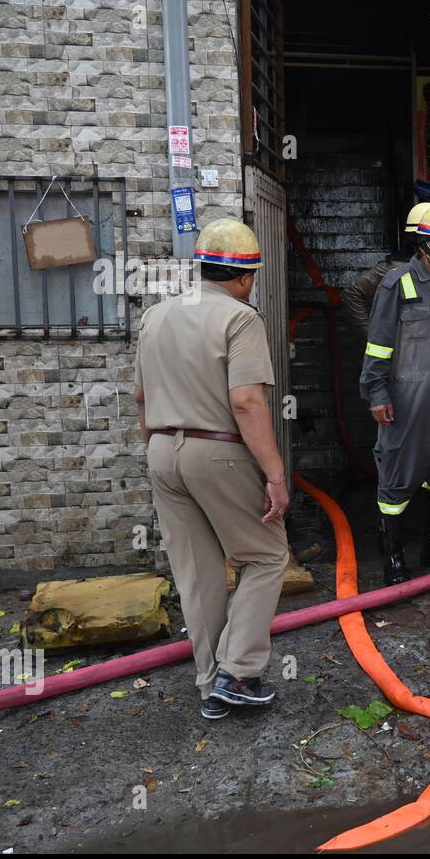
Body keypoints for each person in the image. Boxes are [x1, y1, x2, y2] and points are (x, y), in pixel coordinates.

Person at [135, 218, 290, 721]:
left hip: (161, 449)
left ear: (201, 266)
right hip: (218, 450)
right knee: (265, 556)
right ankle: (238, 672)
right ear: (245, 278)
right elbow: (246, 402)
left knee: (197, 575)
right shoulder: (241, 318)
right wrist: (274, 474)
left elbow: (140, 399)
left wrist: (163, 452)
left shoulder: (155, 317)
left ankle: (211, 688)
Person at [360, 204, 430, 584]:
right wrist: (377, 393)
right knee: (397, 477)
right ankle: (393, 557)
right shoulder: (397, 283)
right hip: (407, 402)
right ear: (424, 243)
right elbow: (377, 346)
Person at [339, 201, 430, 331]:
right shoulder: (394, 267)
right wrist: (370, 333)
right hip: (404, 346)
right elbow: (352, 293)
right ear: (418, 239)